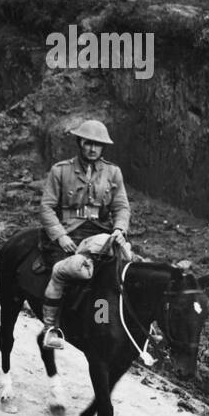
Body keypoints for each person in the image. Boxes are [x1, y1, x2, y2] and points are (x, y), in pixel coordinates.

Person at [39, 120, 131, 349]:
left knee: (127, 263)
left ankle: (125, 328)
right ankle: (51, 328)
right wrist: (60, 235)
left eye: (97, 145)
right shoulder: (61, 170)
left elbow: (122, 207)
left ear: (103, 148)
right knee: (63, 271)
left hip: (100, 231)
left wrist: (119, 230)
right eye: (88, 143)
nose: (92, 148)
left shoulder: (113, 172)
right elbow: (47, 207)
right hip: (68, 230)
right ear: (80, 143)